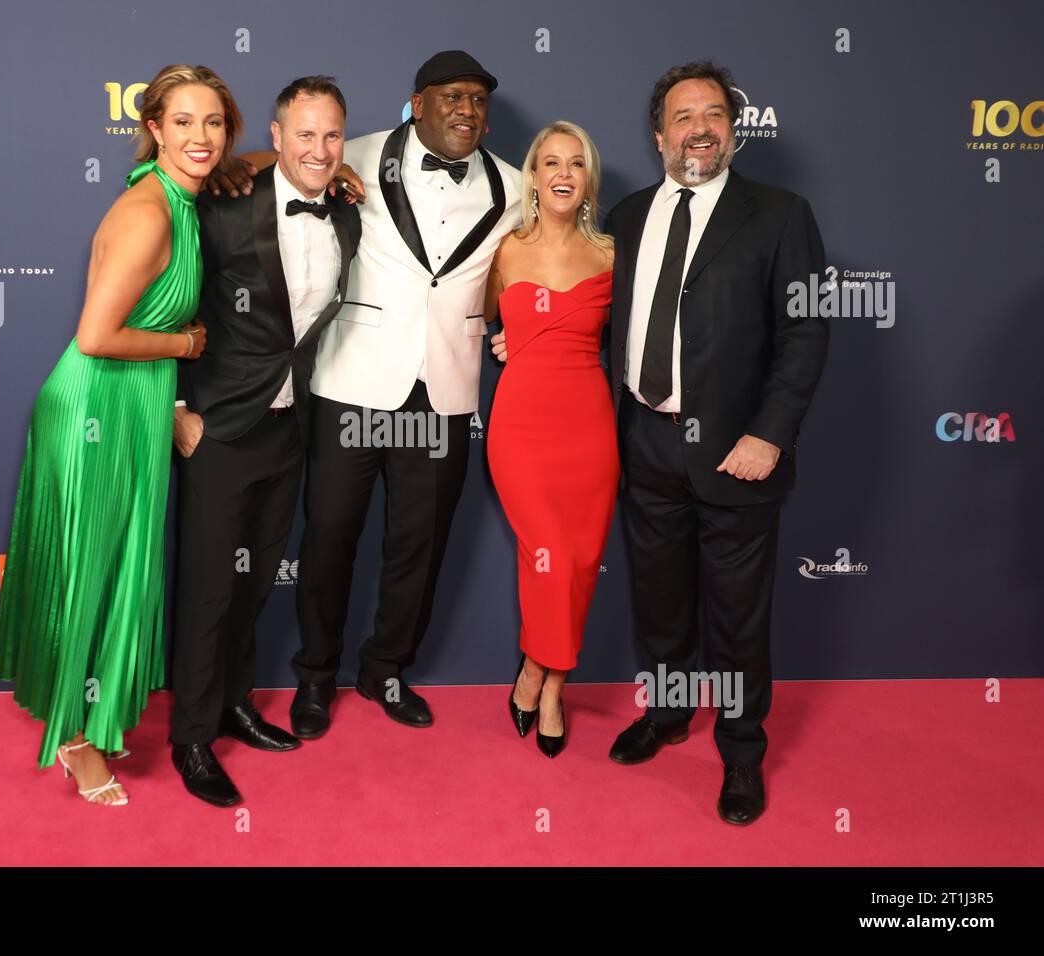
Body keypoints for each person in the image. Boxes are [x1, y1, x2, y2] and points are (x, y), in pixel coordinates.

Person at [497, 61, 829, 823]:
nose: (699, 129)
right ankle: (670, 713)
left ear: (734, 130)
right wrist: (524, 343)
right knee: (661, 602)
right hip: (640, 441)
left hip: (737, 453)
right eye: (683, 117)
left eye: (713, 114)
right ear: (658, 137)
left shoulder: (779, 214)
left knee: (738, 616)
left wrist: (768, 436)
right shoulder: (629, 219)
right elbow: (583, 316)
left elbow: (805, 332)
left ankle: (742, 752)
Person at [0, 64, 240, 806]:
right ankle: (73, 737)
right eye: (184, 122)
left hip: (132, 406)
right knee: (87, 576)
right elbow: (97, 336)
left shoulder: (180, 195)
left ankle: (86, 720)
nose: (201, 137)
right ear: (153, 128)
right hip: (94, 405)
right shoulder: (150, 212)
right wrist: (189, 347)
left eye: (214, 123)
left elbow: (240, 163)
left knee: (114, 571)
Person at [284, 51, 522, 737]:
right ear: (417, 103)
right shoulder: (347, 155)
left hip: (443, 392)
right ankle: (316, 677)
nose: (466, 110)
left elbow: (536, 266)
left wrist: (526, 335)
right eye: (451, 96)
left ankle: (386, 668)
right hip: (352, 383)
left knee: (418, 545)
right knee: (329, 538)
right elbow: (269, 175)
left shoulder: (514, 187)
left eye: (478, 99)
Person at [168, 77, 361, 807]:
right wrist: (177, 409)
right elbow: (169, 301)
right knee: (210, 589)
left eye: (332, 136)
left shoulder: (345, 211)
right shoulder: (221, 202)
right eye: (303, 135)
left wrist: (337, 175)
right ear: (275, 138)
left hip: (289, 428)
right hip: (217, 427)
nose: (319, 149)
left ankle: (232, 704)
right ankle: (190, 736)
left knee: (251, 586)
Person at [484, 121, 616, 758]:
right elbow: (473, 320)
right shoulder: (503, 251)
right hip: (522, 428)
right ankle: (544, 674)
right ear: (532, 176)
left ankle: (547, 677)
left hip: (589, 428)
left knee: (581, 559)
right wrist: (507, 338)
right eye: (551, 163)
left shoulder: (615, 255)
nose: (563, 174)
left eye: (577, 164)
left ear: (589, 178)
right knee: (547, 553)